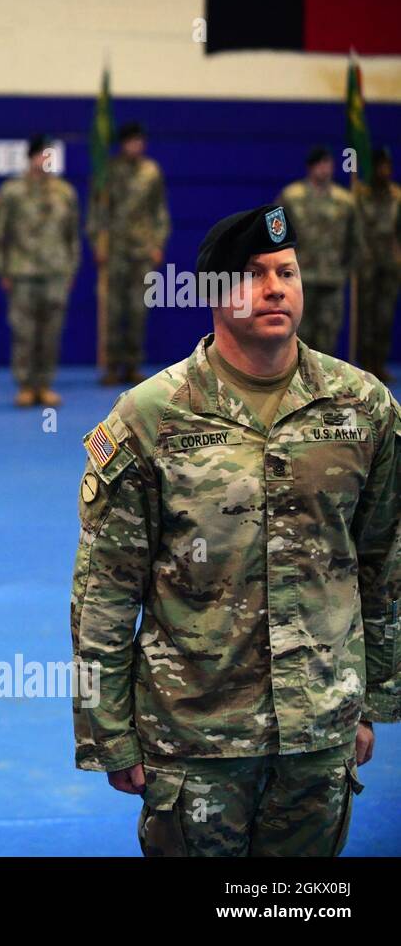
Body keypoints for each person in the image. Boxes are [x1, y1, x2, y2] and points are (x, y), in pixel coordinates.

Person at [71, 203, 400, 856]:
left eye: (287, 271)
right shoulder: (151, 416)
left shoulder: (363, 407)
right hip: (194, 736)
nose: (276, 287)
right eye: (253, 275)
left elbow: (383, 559)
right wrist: (106, 731)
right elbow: (105, 589)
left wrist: (375, 700)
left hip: (317, 731)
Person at [0, 134, 80, 406]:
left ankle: (45, 384)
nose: (45, 160)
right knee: (24, 331)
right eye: (41, 154)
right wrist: (2, 270)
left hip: (56, 272)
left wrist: (71, 269)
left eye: (49, 155)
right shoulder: (11, 192)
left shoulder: (65, 192)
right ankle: (26, 385)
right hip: (22, 273)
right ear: (31, 157)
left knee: (52, 331)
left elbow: (72, 235)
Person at [87, 122, 170, 385]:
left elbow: (159, 211)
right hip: (114, 251)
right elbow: (97, 212)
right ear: (122, 144)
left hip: (142, 251)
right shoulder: (108, 172)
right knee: (113, 311)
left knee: (138, 310)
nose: (136, 145)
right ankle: (112, 366)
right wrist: (97, 243)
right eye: (131, 141)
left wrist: (157, 243)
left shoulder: (151, 172)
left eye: (139, 140)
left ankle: (133, 365)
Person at [275, 146, 357, 355]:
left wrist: (346, 270)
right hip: (299, 279)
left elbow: (354, 239)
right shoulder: (292, 196)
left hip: (331, 278)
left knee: (328, 335)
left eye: (328, 163)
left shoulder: (345, 200)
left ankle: (322, 385)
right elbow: (275, 236)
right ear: (311, 167)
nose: (324, 169)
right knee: (297, 333)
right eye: (319, 164)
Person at [354, 145, 401, 381]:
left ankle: (379, 363)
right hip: (367, 264)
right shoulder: (360, 196)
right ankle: (365, 364)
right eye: (380, 166)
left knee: (384, 316)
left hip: (390, 265)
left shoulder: (397, 196)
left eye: (387, 166)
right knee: (365, 317)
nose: (384, 170)